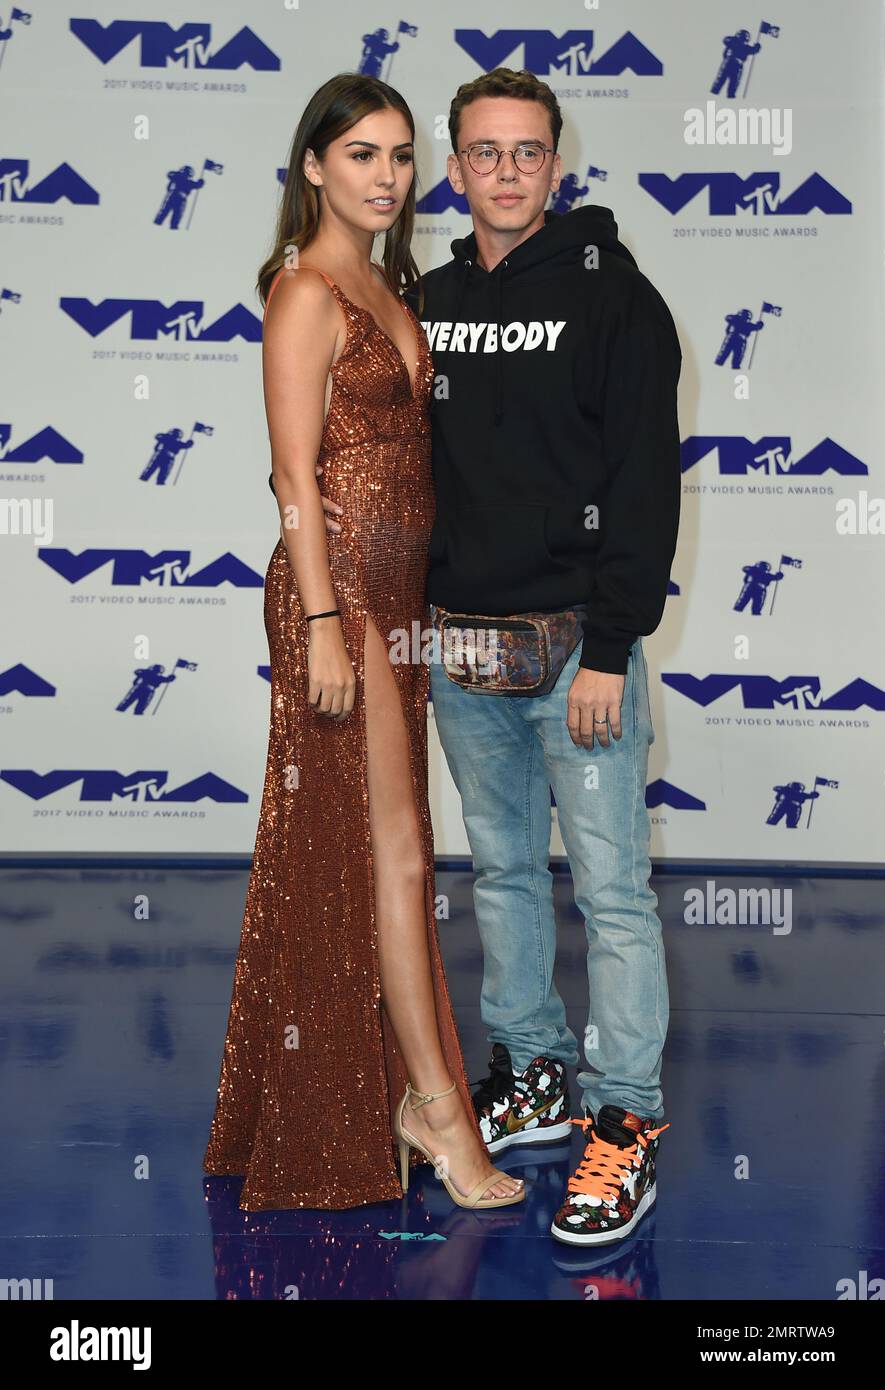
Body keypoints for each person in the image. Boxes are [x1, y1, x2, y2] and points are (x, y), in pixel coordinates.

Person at [319, 67, 681, 1245]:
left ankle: (626, 1117)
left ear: (556, 166)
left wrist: (613, 646)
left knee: (614, 894)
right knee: (507, 876)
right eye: (485, 151)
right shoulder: (428, 297)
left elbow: (644, 484)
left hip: (579, 652)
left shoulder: (617, 297)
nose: (508, 172)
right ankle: (532, 1070)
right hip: (462, 647)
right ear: (456, 167)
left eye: (528, 152)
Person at [202, 72, 524, 1213]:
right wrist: (326, 624)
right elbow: (293, 477)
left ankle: (398, 1094)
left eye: (398, 156)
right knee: (393, 853)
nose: (386, 177)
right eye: (360, 156)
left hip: (397, 597)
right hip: (339, 598)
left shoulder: (388, 282)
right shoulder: (304, 291)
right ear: (312, 168)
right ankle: (434, 1107)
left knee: (388, 848)